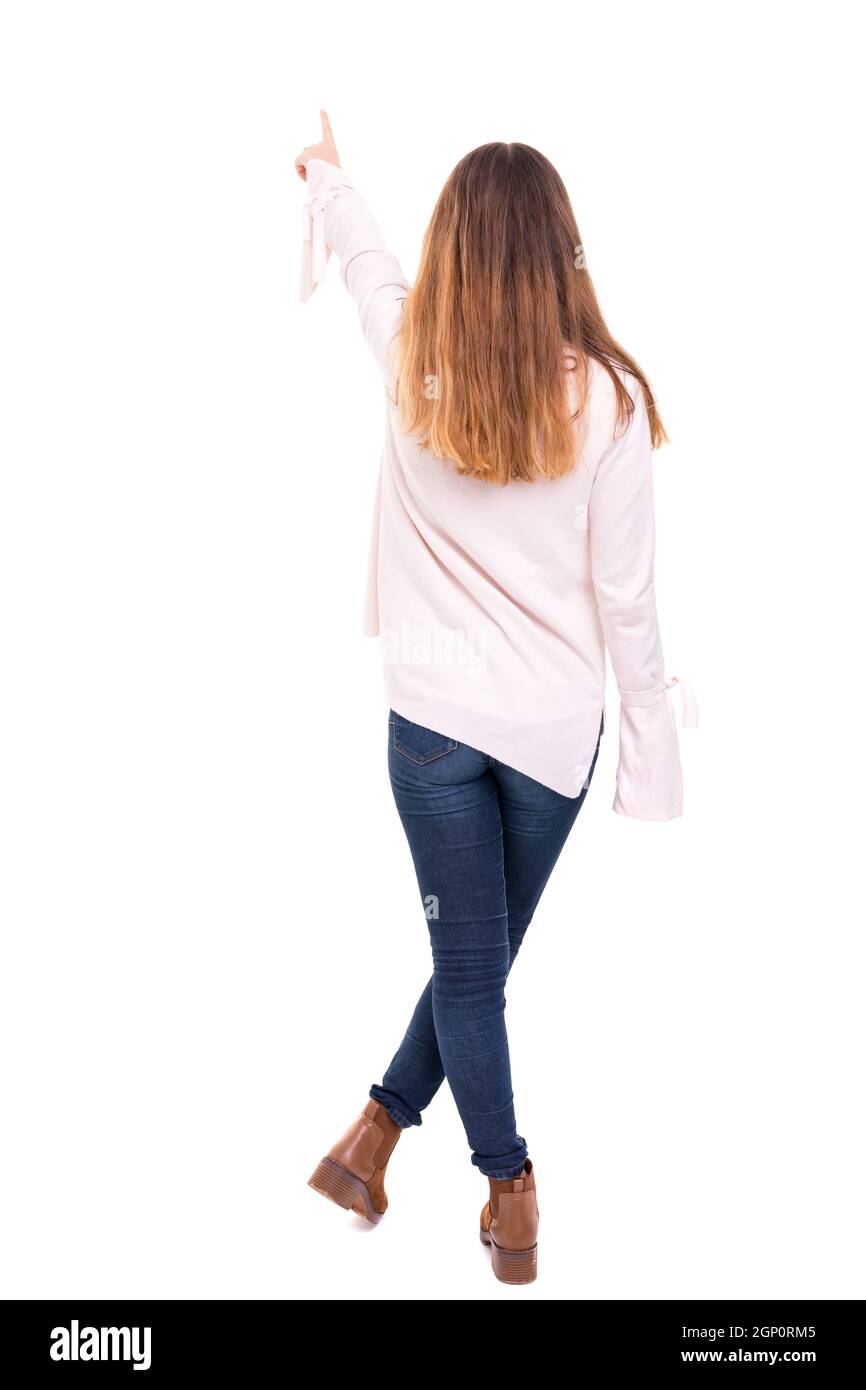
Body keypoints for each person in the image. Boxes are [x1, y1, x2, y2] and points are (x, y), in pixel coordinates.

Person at [295, 112, 696, 1285]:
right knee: (476, 965)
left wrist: (325, 175)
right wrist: (651, 767)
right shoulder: (610, 401)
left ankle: (373, 1135)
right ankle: (506, 1184)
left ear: (457, 250)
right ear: (560, 251)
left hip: (426, 732)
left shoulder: (409, 354)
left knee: (468, 962)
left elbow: (368, 267)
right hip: (546, 741)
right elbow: (630, 602)